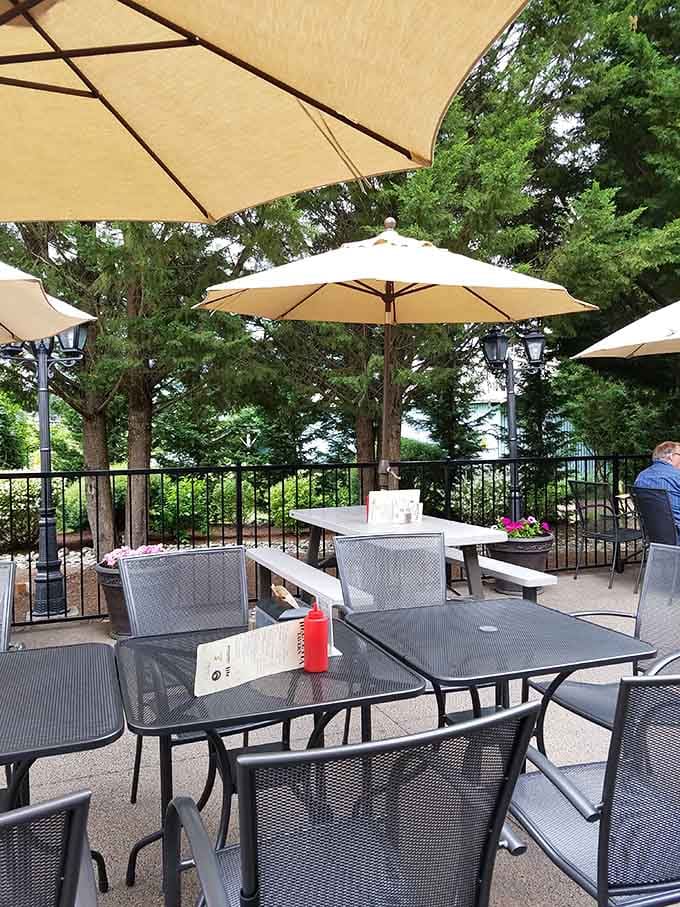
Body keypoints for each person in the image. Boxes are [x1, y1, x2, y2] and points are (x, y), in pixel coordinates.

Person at [634, 441, 680, 539]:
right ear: (671, 456)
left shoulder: (641, 477)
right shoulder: (677, 477)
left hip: (653, 535)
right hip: (677, 535)